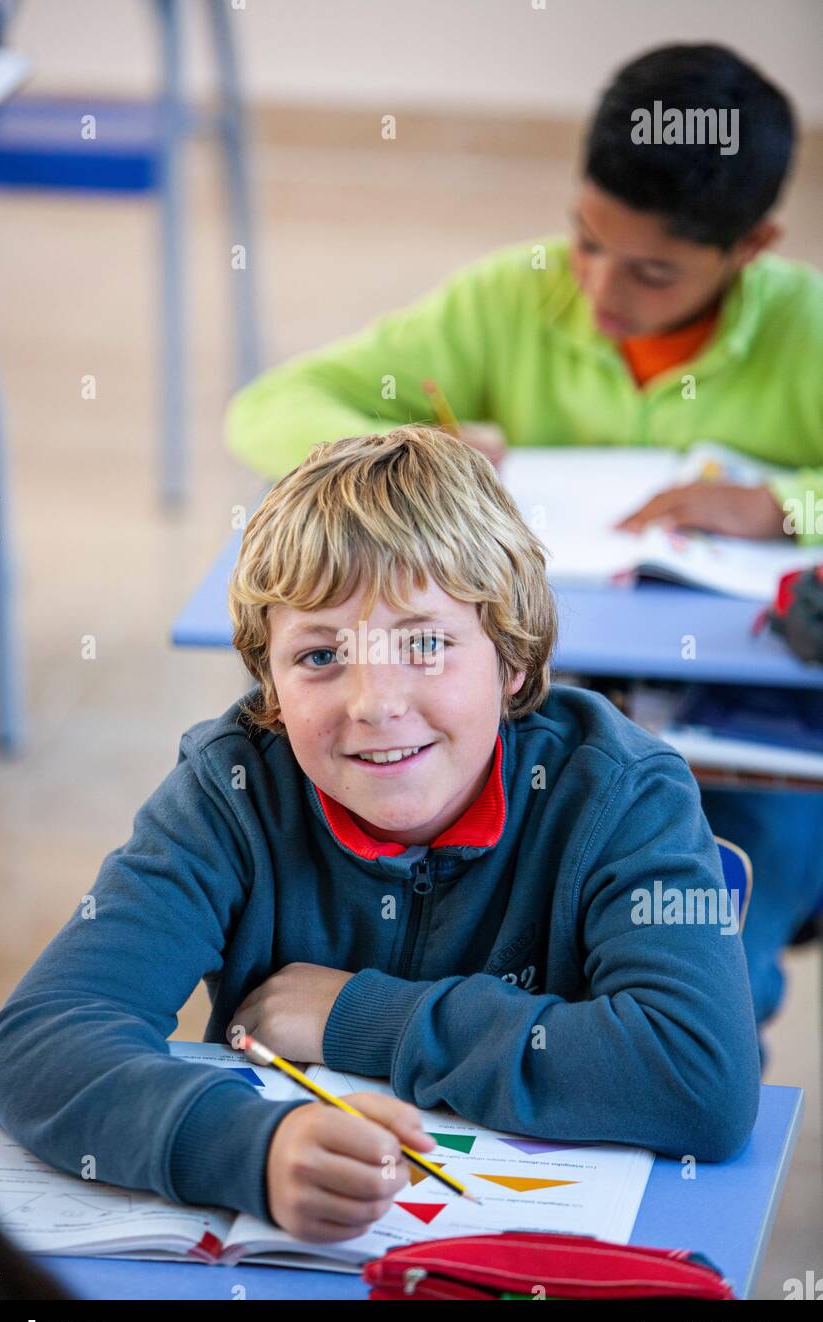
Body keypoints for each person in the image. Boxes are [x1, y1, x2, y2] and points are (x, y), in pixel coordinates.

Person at [0, 428, 760, 1245]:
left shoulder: (620, 795)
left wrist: (362, 1016)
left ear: (513, 657)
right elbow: (39, 1040)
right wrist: (251, 1145)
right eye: (319, 655)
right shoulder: (234, 791)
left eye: (425, 643)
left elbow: (700, 1073)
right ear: (269, 684)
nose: (374, 703)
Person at [223, 43, 823, 1052]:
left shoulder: (801, 329)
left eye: (649, 271)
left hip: (743, 751)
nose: (597, 288)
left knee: (703, 977)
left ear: (751, 246)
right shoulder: (511, 297)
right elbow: (270, 406)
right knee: (440, 924)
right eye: (584, 240)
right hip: (525, 720)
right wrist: (406, 450)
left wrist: (785, 505)